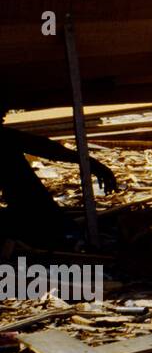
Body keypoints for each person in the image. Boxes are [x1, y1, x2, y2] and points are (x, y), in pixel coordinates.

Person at [0, 102, 118, 249]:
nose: (4, 114)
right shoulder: (3, 142)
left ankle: (50, 228)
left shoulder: (4, 139)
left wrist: (89, 162)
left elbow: (42, 146)